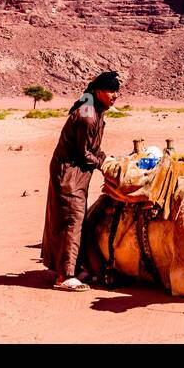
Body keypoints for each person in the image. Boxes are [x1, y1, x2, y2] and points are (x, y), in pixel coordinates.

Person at [40, 70, 120, 291]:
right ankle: (64, 276)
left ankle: (75, 267)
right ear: (97, 91)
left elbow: (94, 149)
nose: (115, 95)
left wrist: (110, 160)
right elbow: (84, 153)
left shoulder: (96, 109)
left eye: (117, 92)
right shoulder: (87, 115)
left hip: (77, 173)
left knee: (76, 218)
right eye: (111, 91)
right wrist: (104, 165)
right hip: (69, 174)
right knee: (72, 219)